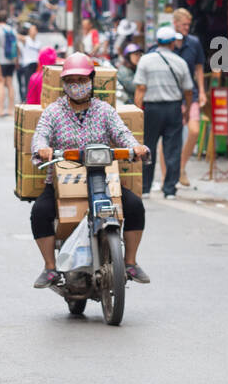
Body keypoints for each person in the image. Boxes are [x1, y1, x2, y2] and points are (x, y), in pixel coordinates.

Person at [29, 53, 152, 288]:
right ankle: (50, 267)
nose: (76, 86)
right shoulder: (53, 112)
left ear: (91, 81)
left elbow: (122, 133)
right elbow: (40, 135)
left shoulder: (104, 110)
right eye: (71, 80)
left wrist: (135, 147)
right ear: (64, 84)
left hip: (102, 179)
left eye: (81, 80)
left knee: (135, 205)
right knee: (40, 212)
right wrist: (42, 148)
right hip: (61, 181)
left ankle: (130, 262)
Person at [133, 26, 194, 199]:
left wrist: (138, 112)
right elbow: (188, 91)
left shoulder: (145, 61)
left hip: (151, 109)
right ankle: (169, 190)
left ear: (157, 42)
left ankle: (145, 188)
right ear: (173, 43)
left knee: (147, 147)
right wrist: (187, 110)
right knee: (173, 149)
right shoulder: (180, 62)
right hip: (173, 108)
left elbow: (140, 89)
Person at [171, 8, 207, 188]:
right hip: (171, 95)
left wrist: (202, 91)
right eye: (184, 24)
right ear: (175, 23)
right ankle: (167, 177)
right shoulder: (167, 42)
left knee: (194, 131)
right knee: (171, 136)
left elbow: (199, 68)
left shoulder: (194, 43)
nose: (187, 27)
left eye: (188, 25)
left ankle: (181, 167)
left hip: (190, 93)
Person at [0, 11, 19, 117]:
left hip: (0, 60)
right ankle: (11, 109)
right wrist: (17, 60)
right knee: (10, 84)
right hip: (11, 60)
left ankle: (1, 109)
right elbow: (16, 46)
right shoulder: (12, 30)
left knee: (0, 83)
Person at [17, 22, 44, 101]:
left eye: (34, 30)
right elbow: (17, 36)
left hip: (36, 65)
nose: (33, 31)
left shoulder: (38, 43)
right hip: (28, 65)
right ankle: (27, 99)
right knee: (27, 83)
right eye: (31, 30)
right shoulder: (26, 39)